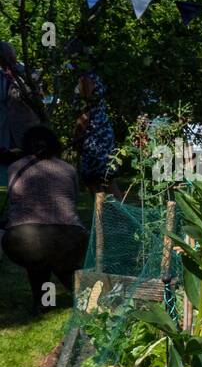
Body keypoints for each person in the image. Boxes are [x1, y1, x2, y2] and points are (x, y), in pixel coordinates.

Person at [1, 126, 88, 314]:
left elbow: (15, 200)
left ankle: (45, 303)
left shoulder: (15, 167)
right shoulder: (68, 169)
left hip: (23, 236)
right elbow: (73, 199)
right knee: (58, 261)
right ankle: (85, 297)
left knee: (38, 260)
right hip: (70, 235)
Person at [72, 57, 118, 197]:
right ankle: (109, 216)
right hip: (101, 131)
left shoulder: (86, 79)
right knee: (101, 180)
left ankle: (114, 216)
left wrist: (77, 135)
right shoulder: (94, 77)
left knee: (100, 180)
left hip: (95, 135)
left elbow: (86, 109)